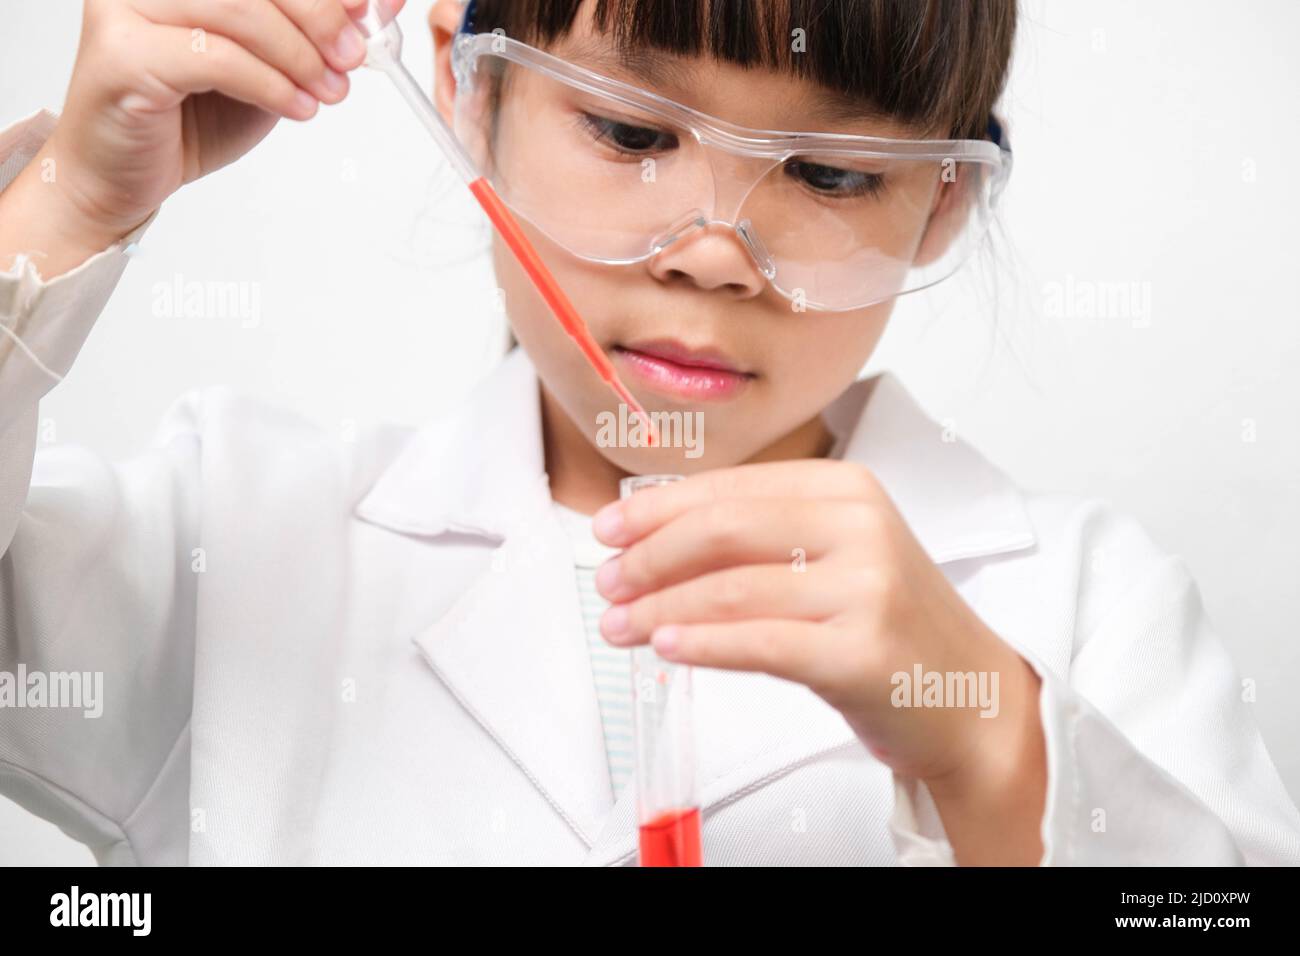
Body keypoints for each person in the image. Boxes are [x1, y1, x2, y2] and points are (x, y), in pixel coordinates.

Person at [1, 0, 1297, 866]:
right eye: (628, 131)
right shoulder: (232, 542)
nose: (716, 254)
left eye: (833, 175)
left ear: (942, 206)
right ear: (465, 90)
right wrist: (60, 209)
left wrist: (997, 753)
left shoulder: (1082, 609)